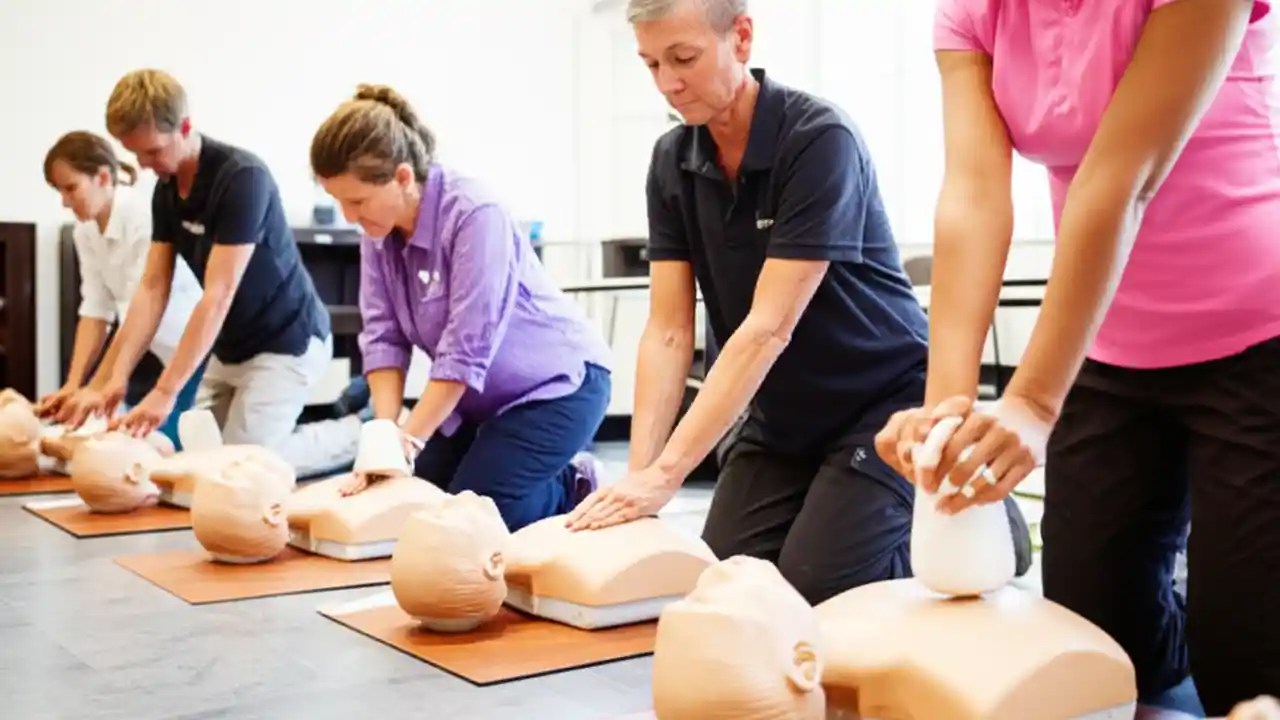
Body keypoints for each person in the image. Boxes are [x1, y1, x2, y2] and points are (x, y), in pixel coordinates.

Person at [874, 0, 1280, 714]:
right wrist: (946, 407)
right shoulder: (976, 13)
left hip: (1258, 331)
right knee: (1097, 644)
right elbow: (972, 194)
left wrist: (1031, 403)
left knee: (1247, 664)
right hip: (1110, 344)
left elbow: (1121, 177)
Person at [565, 0, 1032, 606]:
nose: (668, 82)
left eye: (683, 58)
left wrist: (668, 476)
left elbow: (768, 327)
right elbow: (669, 332)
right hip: (783, 420)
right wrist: (639, 481)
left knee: (817, 589)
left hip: (881, 406)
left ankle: (992, 525)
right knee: (723, 583)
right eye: (651, 63)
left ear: (742, 38)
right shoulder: (670, 163)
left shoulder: (816, 139)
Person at [309, 84, 614, 532]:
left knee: (478, 519)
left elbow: (464, 348)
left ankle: (573, 486)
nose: (350, 216)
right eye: (339, 202)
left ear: (402, 178)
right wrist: (384, 438)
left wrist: (409, 441)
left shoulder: (475, 213)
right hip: (478, 403)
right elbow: (382, 338)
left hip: (558, 388)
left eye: (356, 201)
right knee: (420, 505)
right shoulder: (378, 230)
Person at [59, 69, 360, 478]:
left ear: (184, 127)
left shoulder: (241, 178)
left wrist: (166, 391)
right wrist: (116, 377)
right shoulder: (166, 191)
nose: (145, 166)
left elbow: (218, 294)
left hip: (287, 342)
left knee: (241, 468)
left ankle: (361, 432)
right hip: (231, 347)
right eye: (137, 155)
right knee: (194, 454)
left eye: (153, 151)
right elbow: (151, 289)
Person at [37, 131, 205, 448]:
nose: (64, 201)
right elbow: (95, 310)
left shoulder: (141, 216)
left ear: (103, 177)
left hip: (192, 355)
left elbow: (135, 314)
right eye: (60, 191)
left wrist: (98, 386)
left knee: (163, 448)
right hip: (149, 353)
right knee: (126, 441)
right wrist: (74, 385)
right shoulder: (84, 229)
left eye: (71, 188)